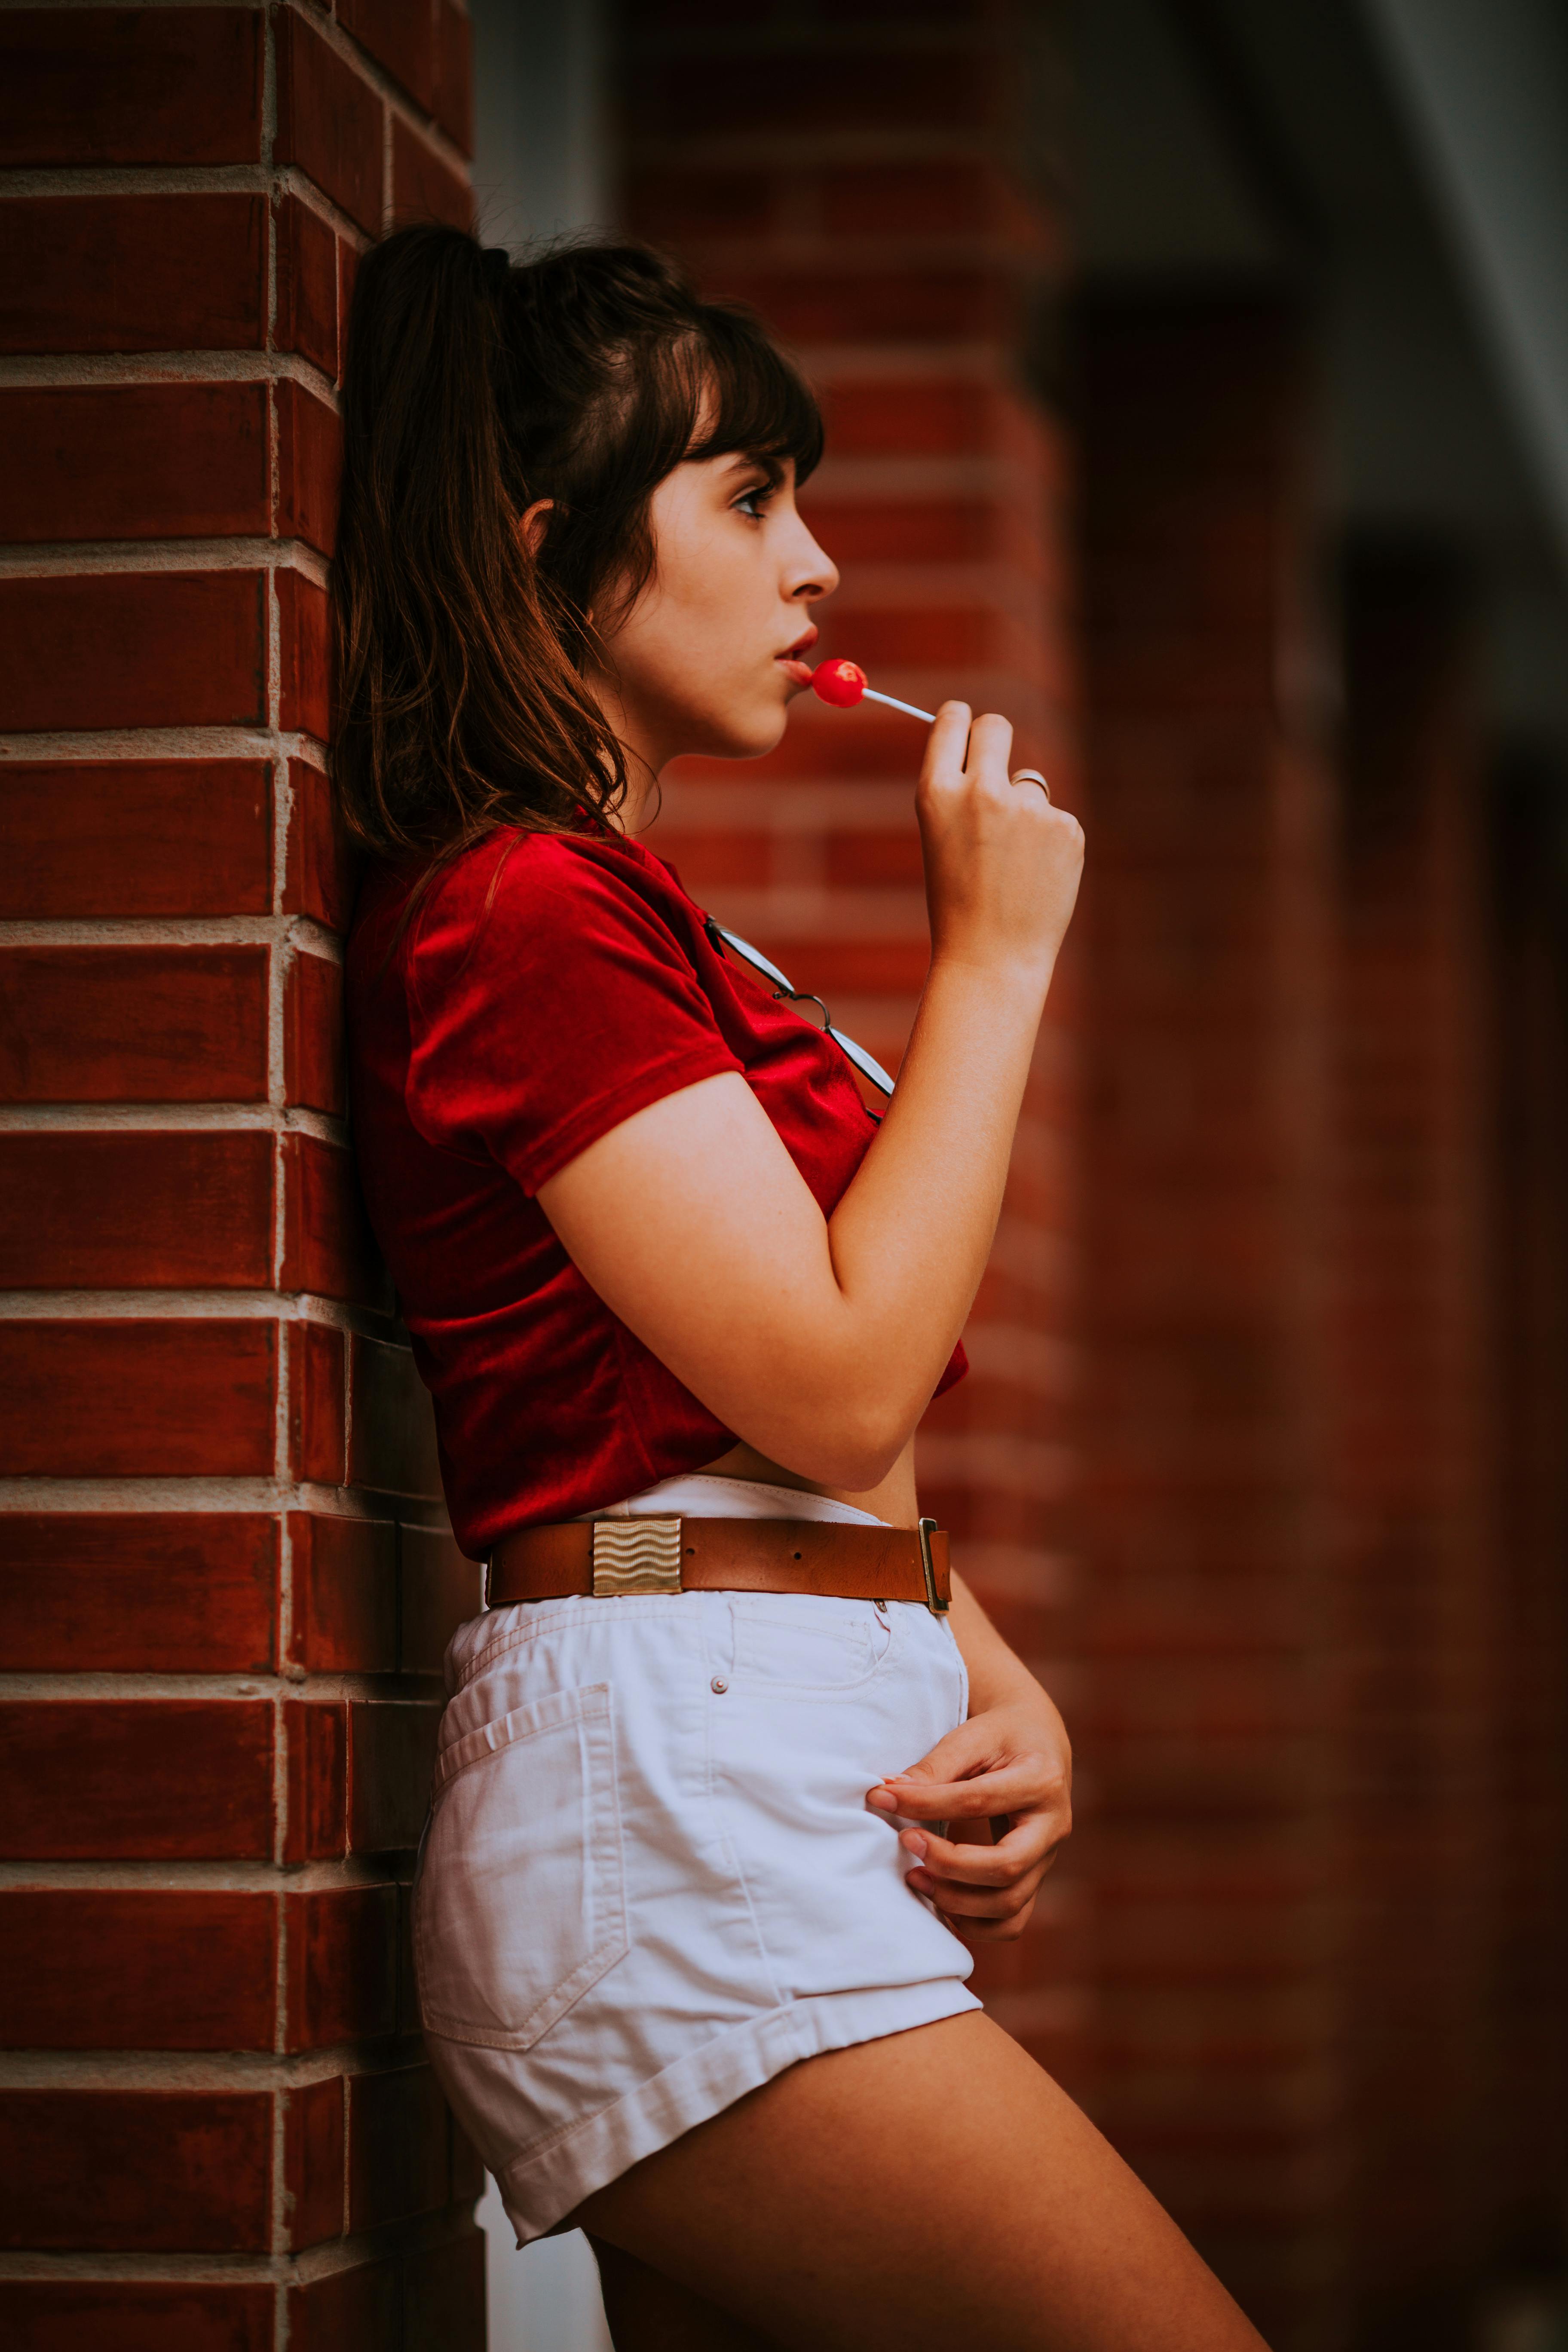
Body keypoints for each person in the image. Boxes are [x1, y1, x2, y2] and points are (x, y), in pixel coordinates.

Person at [335, 224, 1268, 2352]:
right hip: (674, 1814)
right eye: (750, 498)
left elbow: (735, 1424)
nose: (818, 564)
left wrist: (975, 1657)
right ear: (550, 546)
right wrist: (998, 962)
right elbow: (841, 1387)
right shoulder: (522, 909)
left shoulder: (631, 911)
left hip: (731, 1776)